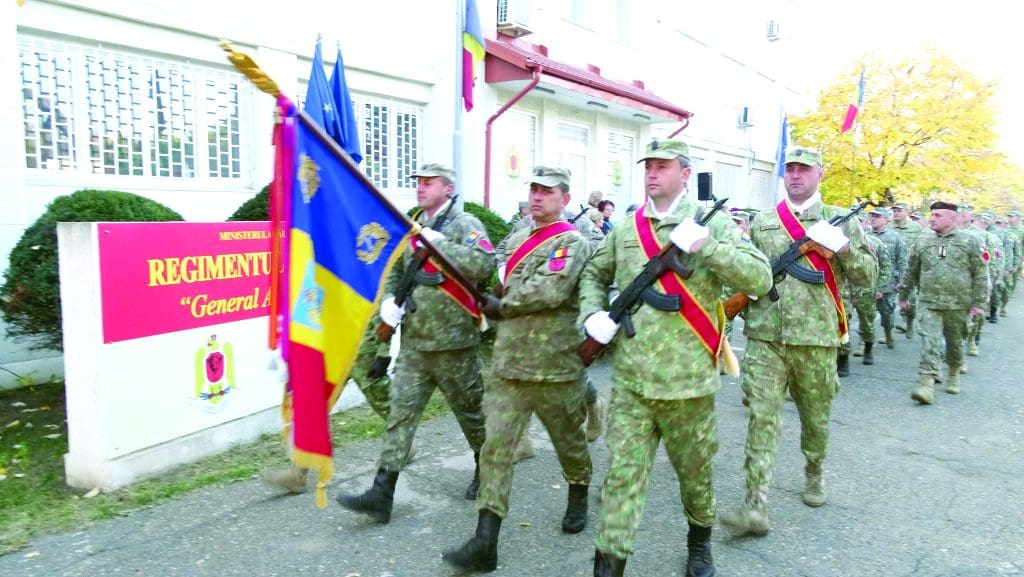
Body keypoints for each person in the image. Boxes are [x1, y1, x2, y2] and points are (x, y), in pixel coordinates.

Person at [580, 139, 772, 577]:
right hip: (632, 382)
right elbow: (594, 272)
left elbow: (760, 278)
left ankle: (699, 541)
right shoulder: (627, 229)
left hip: (689, 385)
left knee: (695, 475)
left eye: (663, 166)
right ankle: (609, 564)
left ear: (685, 174)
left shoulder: (716, 225)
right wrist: (593, 313)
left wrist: (709, 247)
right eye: (648, 165)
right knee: (622, 479)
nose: (652, 173)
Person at [443, 166, 593, 572]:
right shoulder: (519, 234)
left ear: (564, 198)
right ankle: (485, 541)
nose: (537, 197)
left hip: (554, 367)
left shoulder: (571, 242)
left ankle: (578, 489)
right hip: (509, 365)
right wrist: (486, 293)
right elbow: (503, 278)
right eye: (534, 189)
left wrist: (501, 306)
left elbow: (551, 288)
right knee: (495, 450)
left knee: (569, 445)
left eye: (547, 191)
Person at [721, 146, 876, 538]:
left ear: (819, 174)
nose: (795, 176)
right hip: (766, 336)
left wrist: (841, 248)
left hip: (817, 339)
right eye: (790, 169)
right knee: (761, 418)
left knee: (815, 418)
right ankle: (755, 504)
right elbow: (745, 272)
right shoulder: (764, 222)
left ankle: (814, 469)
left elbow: (869, 277)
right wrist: (725, 313)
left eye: (804, 169)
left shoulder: (841, 223)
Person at [335, 163, 495, 523]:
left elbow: (485, 264)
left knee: (471, 415)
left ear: (447, 188)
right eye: (418, 183)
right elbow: (395, 268)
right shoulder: (411, 225)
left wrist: (444, 247)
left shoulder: (465, 225)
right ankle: (382, 492)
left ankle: (486, 468)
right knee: (399, 416)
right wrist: (390, 300)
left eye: (428, 182)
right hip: (415, 345)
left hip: (454, 344)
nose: (420, 188)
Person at [262, 313, 394, 493]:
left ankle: (403, 444)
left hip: (363, 344)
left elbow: (385, 299)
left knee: (383, 401)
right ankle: (298, 473)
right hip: (332, 344)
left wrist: (383, 352)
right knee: (313, 405)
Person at [899, 201, 987, 403]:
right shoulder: (923, 239)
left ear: (952, 218)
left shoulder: (970, 240)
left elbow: (981, 273)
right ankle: (927, 384)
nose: (932, 218)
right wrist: (903, 295)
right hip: (928, 302)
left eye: (938, 215)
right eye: (932, 215)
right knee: (929, 342)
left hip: (958, 304)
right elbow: (911, 269)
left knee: (955, 344)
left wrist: (979, 302)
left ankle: (954, 372)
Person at [851, 228, 891, 365]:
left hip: (866, 289)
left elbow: (886, 266)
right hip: (844, 289)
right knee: (841, 323)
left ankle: (868, 348)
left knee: (867, 321)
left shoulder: (874, 243)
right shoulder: (836, 240)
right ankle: (842, 356)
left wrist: (881, 287)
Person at [868, 208, 907, 349]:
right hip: (868, 280)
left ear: (886, 219)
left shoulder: (894, 237)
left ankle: (888, 333)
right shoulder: (864, 234)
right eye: (871, 216)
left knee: (887, 312)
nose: (873, 218)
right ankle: (864, 342)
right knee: (866, 314)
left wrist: (902, 282)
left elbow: (902, 260)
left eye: (877, 216)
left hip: (888, 283)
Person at [890, 202, 924, 337]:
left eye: (899, 210)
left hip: (909, 269)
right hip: (892, 269)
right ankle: (888, 333)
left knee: (911, 300)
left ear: (906, 212)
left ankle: (909, 322)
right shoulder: (888, 227)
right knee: (887, 304)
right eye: (894, 211)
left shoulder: (916, 228)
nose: (896, 213)